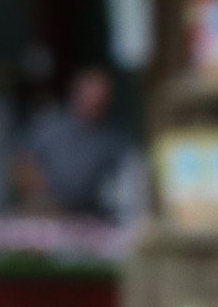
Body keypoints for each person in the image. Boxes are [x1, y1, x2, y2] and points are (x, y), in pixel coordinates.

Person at [16, 68, 134, 219]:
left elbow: (127, 173)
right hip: (49, 207)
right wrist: (35, 186)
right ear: (77, 94)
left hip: (92, 211)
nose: (96, 101)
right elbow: (22, 155)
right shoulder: (52, 124)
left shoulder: (113, 136)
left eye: (102, 96)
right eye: (92, 95)